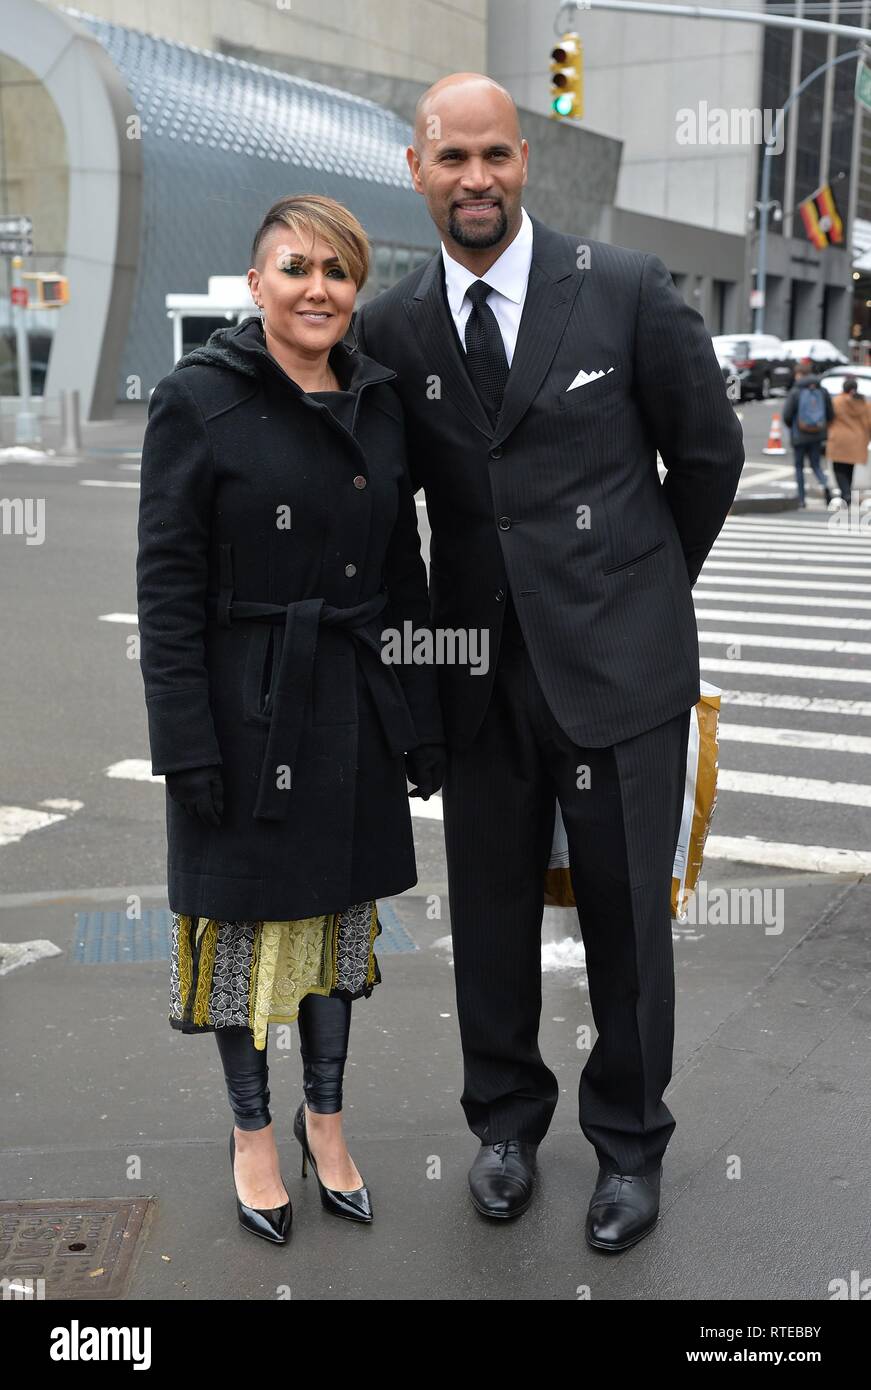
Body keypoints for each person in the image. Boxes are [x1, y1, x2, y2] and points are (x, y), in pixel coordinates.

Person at [355, 73, 745, 1252]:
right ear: (416, 171)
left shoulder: (620, 289)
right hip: (477, 673)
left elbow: (708, 455)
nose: (476, 179)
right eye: (451, 159)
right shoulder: (393, 323)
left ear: (525, 161)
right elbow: (391, 520)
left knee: (628, 918)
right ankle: (506, 1125)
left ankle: (629, 1143)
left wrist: (637, 592)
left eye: (495, 156)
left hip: (618, 673)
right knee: (488, 915)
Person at [136, 194, 444, 1243]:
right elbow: (166, 588)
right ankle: (253, 1134)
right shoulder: (197, 398)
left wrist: (419, 716)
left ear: (356, 291)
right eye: (296, 268)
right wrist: (185, 744)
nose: (319, 288)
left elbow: (402, 572)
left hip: (351, 703)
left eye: (339, 272)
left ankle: (327, 1119)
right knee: (239, 941)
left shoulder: (380, 400)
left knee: (333, 933)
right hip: (241, 713)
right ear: (256, 282)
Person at [783, 361, 835, 508]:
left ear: (800, 374)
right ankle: (826, 487)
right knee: (816, 465)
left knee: (799, 466)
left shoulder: (796, 391)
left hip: (799, 434)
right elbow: (830, 413)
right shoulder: (822, 390)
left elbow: (787, 415)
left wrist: (793, 427)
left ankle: (801, 498)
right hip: (817, 434)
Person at [826, 375, 871, 508]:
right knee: (850, 468)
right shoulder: (863, 403)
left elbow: (829, 418)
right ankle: (847, 493)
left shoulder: (837, 401)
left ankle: (845, 493)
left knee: (838, 468)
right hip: (857, 439)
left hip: (839, 439)